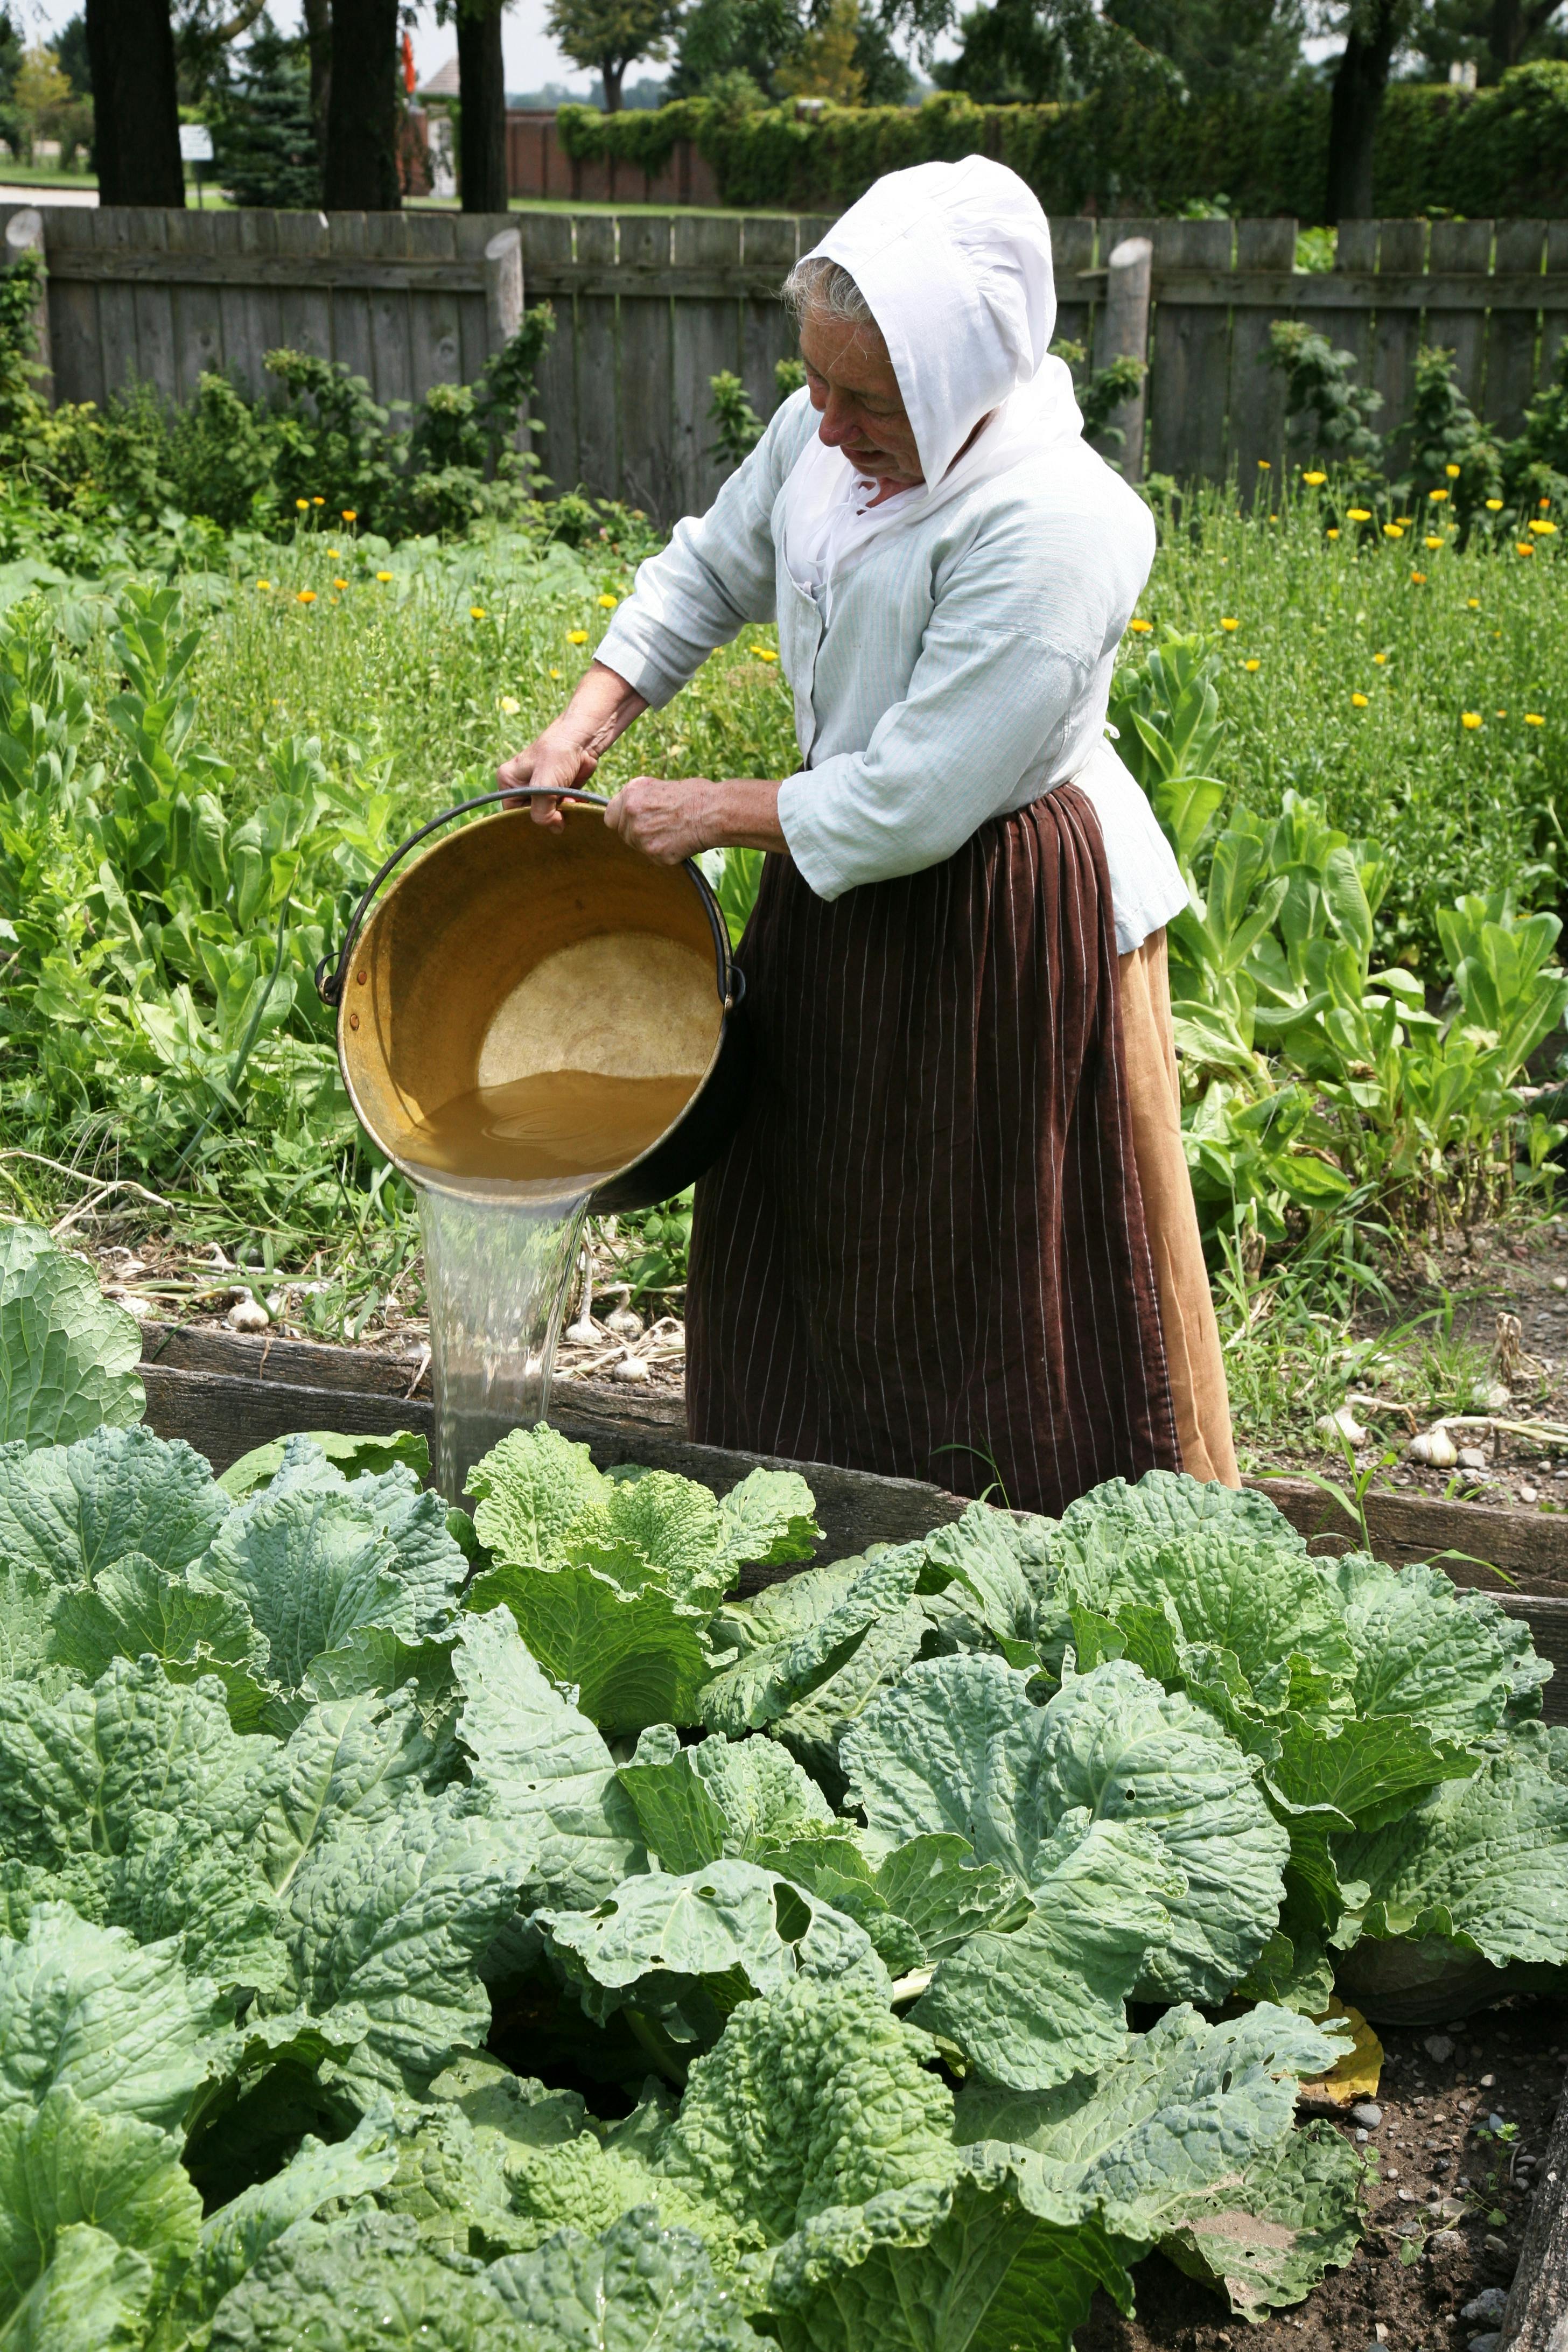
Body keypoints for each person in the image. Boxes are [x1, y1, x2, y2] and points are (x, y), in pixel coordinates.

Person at [498, 155, 1238, 1515]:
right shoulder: (822, 435)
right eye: (817, 383)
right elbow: (710, 567)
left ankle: (1044, 1547)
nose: (826, 424)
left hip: (1006, 907)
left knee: (1003, 1259)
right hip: (831, 870)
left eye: (868, 402)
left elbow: (917, 796)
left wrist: (707, 811)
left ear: (963, 385)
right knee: (820, 1222)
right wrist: (583, 724)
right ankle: (809, 1521)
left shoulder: (1059, 523)